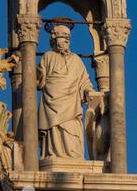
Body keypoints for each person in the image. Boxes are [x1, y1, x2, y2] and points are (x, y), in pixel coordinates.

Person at [37, 24, 95, 160]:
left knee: (71, 129)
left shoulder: (76, 60)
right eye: (62, 38)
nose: (65, 41)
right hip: (52, 102)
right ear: (54, 40)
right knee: (55, 131)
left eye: (67, 39)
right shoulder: (48, 56)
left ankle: (72, 155)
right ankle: (53, 153)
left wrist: (88, 90)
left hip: (72, 104)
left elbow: (84, 80)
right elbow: (40, 80)